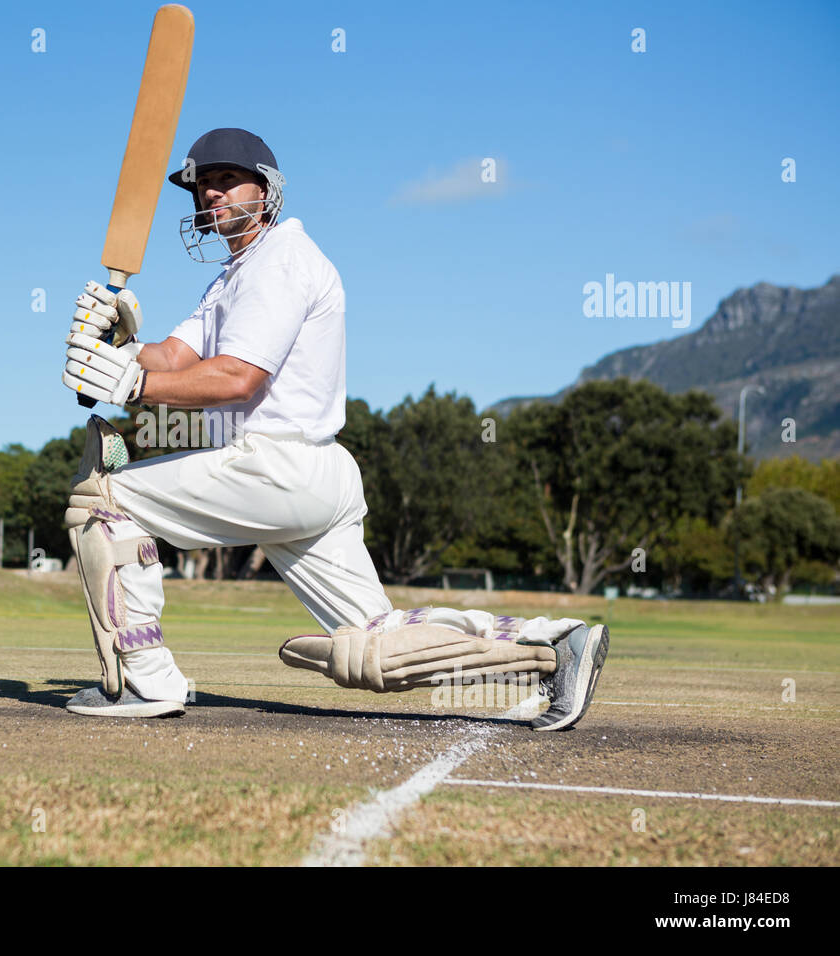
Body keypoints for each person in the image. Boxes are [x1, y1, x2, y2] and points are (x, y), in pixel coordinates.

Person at [60, 128, 608, 730]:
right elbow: (172, 359)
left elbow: (239, 378)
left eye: (225, 181)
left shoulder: (280, 261)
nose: (210, 197)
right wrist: (120, 345)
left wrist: (130, 383)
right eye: (202, 187)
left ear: (266, 190)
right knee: (375, 647)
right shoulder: (231, 279)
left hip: (276, 466)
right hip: (312, 476)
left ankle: (143, 681)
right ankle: (552, 648)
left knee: (101, 501)